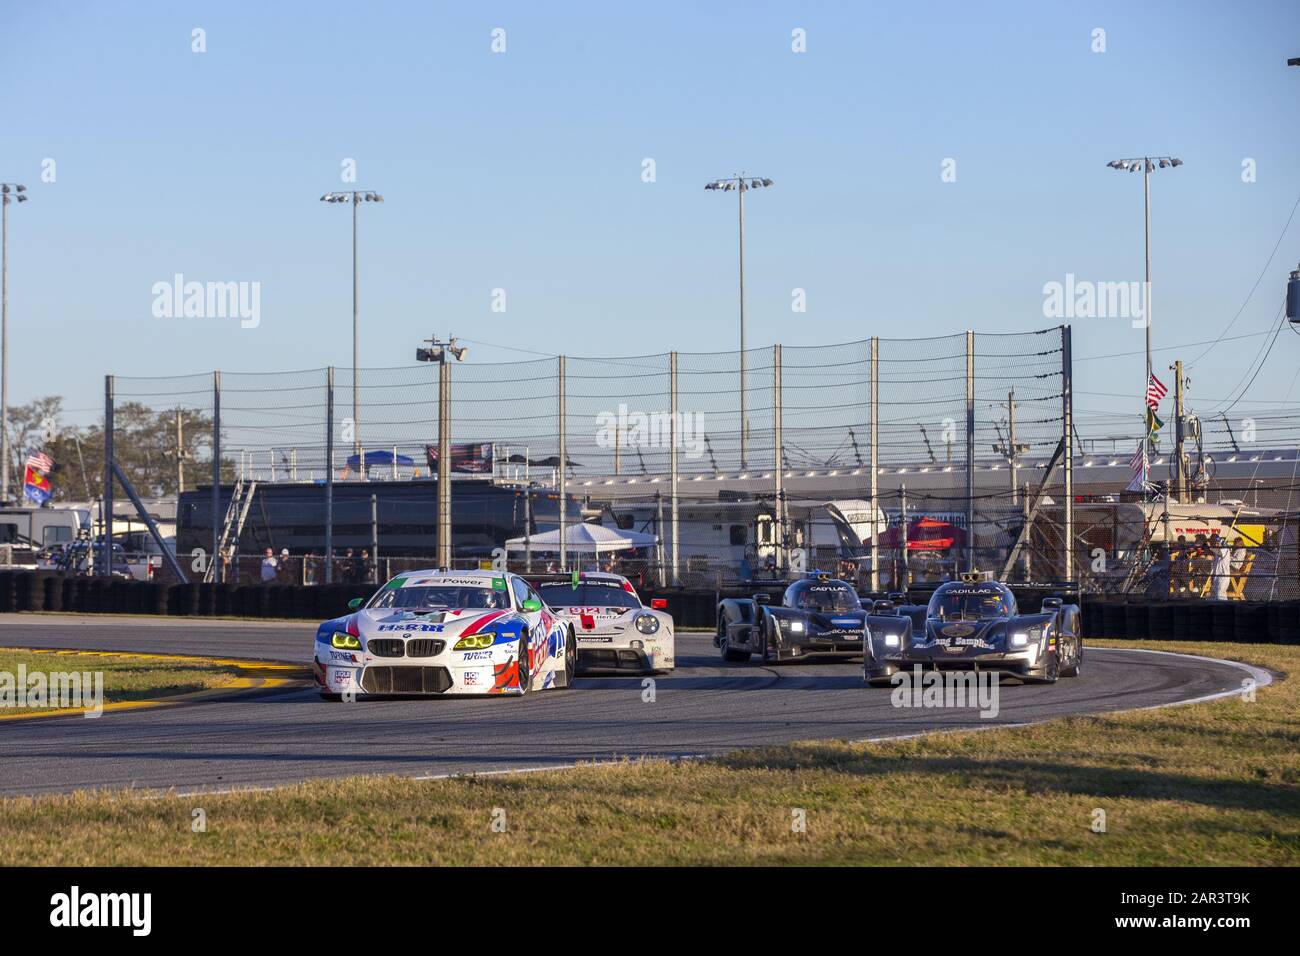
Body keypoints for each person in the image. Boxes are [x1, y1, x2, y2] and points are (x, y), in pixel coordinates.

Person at [1210, 534, 1232, 601]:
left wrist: (1211, 548)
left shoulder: (1225, 549)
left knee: (1220, 595)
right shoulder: (1217, 550)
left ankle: (1223, 606)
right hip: (1217, 576)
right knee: (1215, 595)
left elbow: (1220, 553)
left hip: (1223, 576)